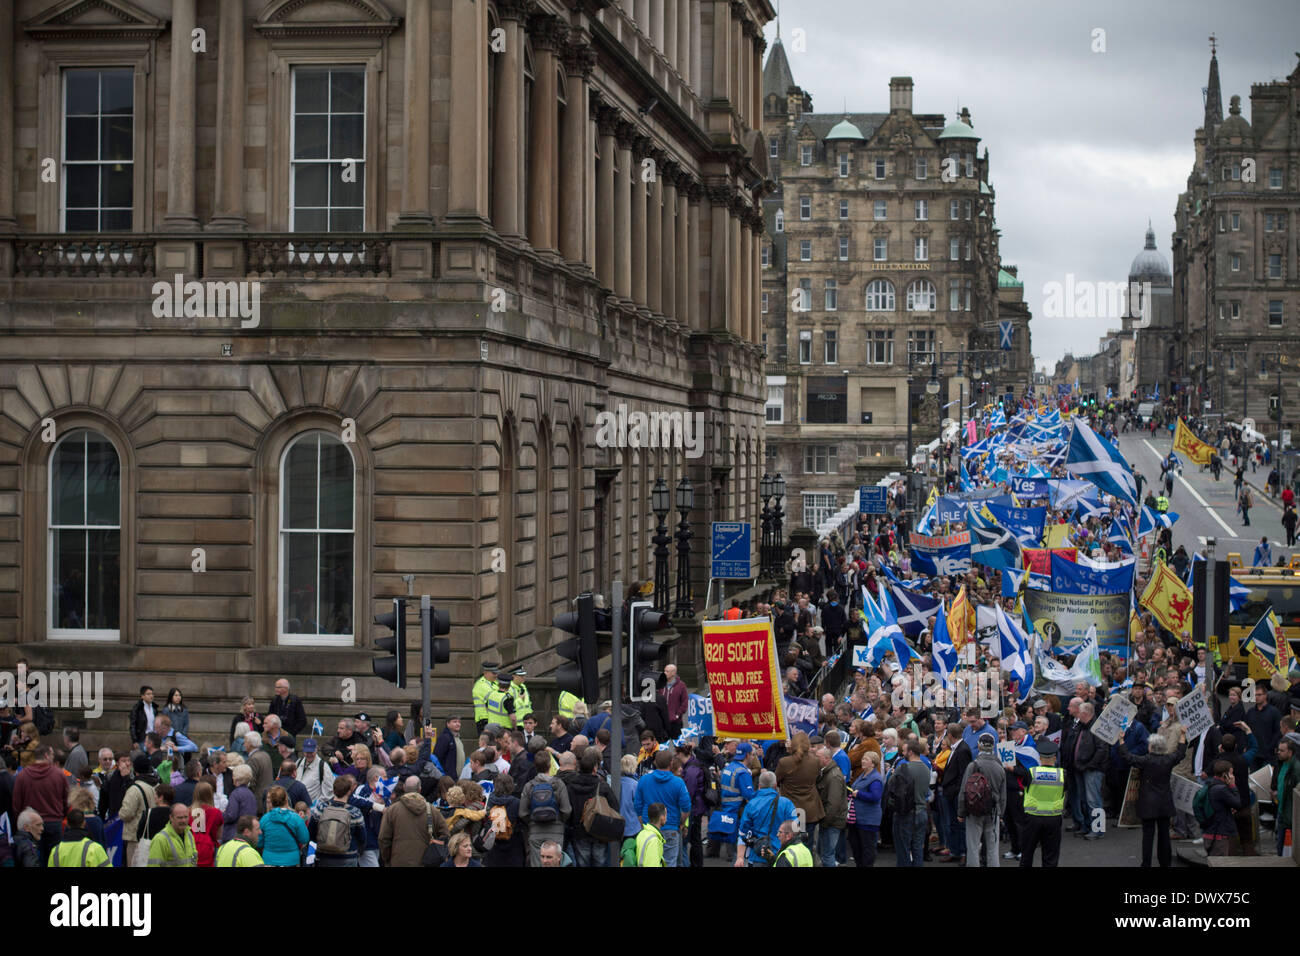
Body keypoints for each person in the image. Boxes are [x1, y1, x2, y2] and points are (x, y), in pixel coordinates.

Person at [1119, 726, 1188, 867]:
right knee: (1164, 836)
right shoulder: (1168, 760)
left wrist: (1121, 740)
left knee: (1148, 836)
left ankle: (1146, 863)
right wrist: (1182, 735)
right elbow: (1180, 753)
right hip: (1164, 803)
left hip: (1148, 803)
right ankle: (1165, 863)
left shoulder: (1146, 760)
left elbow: (1128, 757)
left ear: (1151, 747)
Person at [633, 748, 691, 866]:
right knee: (670, 863)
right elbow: (686, 807)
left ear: (655, 763)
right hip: (671, 826)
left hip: (649, 826)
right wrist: (682, 822)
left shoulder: (644, 780)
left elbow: (637, 805)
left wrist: (642, 822)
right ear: (671, 763)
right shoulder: (678, 782)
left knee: (649, 861)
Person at [957, 733, 1007, 867]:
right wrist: (1001, 814)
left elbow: (964, 790)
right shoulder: (999, 766)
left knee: (973, 847)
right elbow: (1003, 794)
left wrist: (961, 812)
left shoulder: (973, 765)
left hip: (974, 810)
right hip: (993, 811)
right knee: (992, 848)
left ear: (979, 746)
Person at [12, 743, 68, 862]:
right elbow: (66, 800)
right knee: (54, 860)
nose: (54, 757)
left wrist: (21, 821)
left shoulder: (22, 776)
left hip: (30, 824)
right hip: (54, 822)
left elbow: (16, 804)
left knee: (32, 859)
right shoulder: (59, 775)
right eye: (52, 754)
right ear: (47, 755)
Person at [735, 770, 797, 867]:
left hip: (758, 856)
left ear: (759, 786)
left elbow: (743, 834)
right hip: (782, 856)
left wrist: (740, 857)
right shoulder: (787, 804)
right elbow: (795, 828)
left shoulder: (751, 805)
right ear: (775, 785)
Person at [519, 750, 570, 866]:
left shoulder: (529, 786)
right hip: (556, 831)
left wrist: (532, 822)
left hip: (535, 831)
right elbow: (566, 810)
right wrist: (559, 820)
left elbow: (522, 812)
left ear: (535, 766)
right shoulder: (559, 784)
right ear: (550, 764)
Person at [1020, 739, 1065, 868]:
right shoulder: (1062, 774)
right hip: (1053, 818)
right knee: (1050, 856)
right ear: (1055, 758)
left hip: (1032, 817)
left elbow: (1024, 786)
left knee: (1027, 854)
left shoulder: (1031, 773)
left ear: (1039, 757)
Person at [709, 740, 756, 862]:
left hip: (727, 811)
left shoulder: (728, 768)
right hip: (739, 812)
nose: (753, 757)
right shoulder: (742, 773)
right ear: (747, 755)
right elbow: (750, 796)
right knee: (740, 853)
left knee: (734, 849)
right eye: (752, 755)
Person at [310, 777, 367, 867]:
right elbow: (362, 838)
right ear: (349, 791)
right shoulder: (355, 812)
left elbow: (311, 832)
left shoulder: (321, 808)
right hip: (348, 857)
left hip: (324, 856)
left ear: (333, 790)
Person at [849, 750, 884, 867]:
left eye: (866, 759)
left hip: (868, 820)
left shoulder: (875, 779)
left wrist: (859, 794)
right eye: (863, 758)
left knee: (867, 850)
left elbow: (876, 797)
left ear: (873, 764)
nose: (862, 761)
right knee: (857, 849)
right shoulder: (863, 774)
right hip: (857, 819)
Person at [814, 744, 848, 867]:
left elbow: (833, 804)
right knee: (823, 852)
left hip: (831, 822)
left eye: (817, 757)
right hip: (828, 821)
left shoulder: (833, 776)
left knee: (827, 855)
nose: (815, 759)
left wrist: (825, 821)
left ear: (826, 759)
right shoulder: (826, 773)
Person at [259, 785, 309, 866]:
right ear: (286, 800)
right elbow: (304, 839)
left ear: (271, 801)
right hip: (291, 861)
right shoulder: (296, 818)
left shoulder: (265, 819)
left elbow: (259, 842)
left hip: (269, 861)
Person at [1202, 760, 1243, 856]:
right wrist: (1233, 785)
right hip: (1219, 835)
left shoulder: (1211, 785)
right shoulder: (1222, 789)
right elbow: (1237, 803)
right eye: (1231, 774)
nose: (1233, 776)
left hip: (1210, 832)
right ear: (1225, 775)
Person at [1273, 737, 1300, 857]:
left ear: (1290, 752)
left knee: (1287, 847)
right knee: (1280, 845)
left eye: (1282, 750)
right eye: (1278, 750)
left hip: (1290, 815)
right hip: (1281, 810)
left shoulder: (1296, 768)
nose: (1279, 752)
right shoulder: (1280, 764)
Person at [147, 803, 198, 867]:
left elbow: (194, 856)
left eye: (186, 817)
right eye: (180, 817)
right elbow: (153, 865)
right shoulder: (160, 839)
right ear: (171, 817)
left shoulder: (189, 834)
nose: (183, 820)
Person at [189, 783, 224, 866]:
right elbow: (218, 835)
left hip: (191, 846)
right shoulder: (216, 812)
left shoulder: (188, 811)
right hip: (209, 847)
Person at [633, 802, 667, 867]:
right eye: (665, 815)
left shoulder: (642, 833)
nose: (666, 818)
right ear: (662, 817)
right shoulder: (654, 840)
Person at [660, 664, 688, 739]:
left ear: (673, 673)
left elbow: (684, 702)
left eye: (667, 671)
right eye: (664, 671)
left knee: (678, 745)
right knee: (663, 746)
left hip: (676, 722)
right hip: (662, 721)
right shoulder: (660, 684)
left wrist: (677, 715)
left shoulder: (681, 685)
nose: (664, 673)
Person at [129, 686, 157, 752]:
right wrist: (134, 740)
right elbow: (133, 725)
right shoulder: (138, 708)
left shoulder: (154, 708)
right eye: (148, 694)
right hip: (142, 738)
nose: (151, 696)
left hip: (152, 736)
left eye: (152, 694)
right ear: (142, 696)